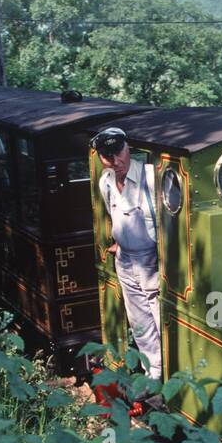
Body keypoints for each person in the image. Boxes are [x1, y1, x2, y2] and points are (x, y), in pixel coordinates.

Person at [92, 126, 162, 381]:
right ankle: (153, 374)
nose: (115, 161)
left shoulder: (150, 177)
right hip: (126, 260)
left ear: (127, 147)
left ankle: (169, 374)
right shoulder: (106, 182)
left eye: (118, 152)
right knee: (139, 321)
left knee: (158, 316)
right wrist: (121, 243)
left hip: (151, 260)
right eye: (107, 156)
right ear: (100, 157)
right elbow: (117, 217)